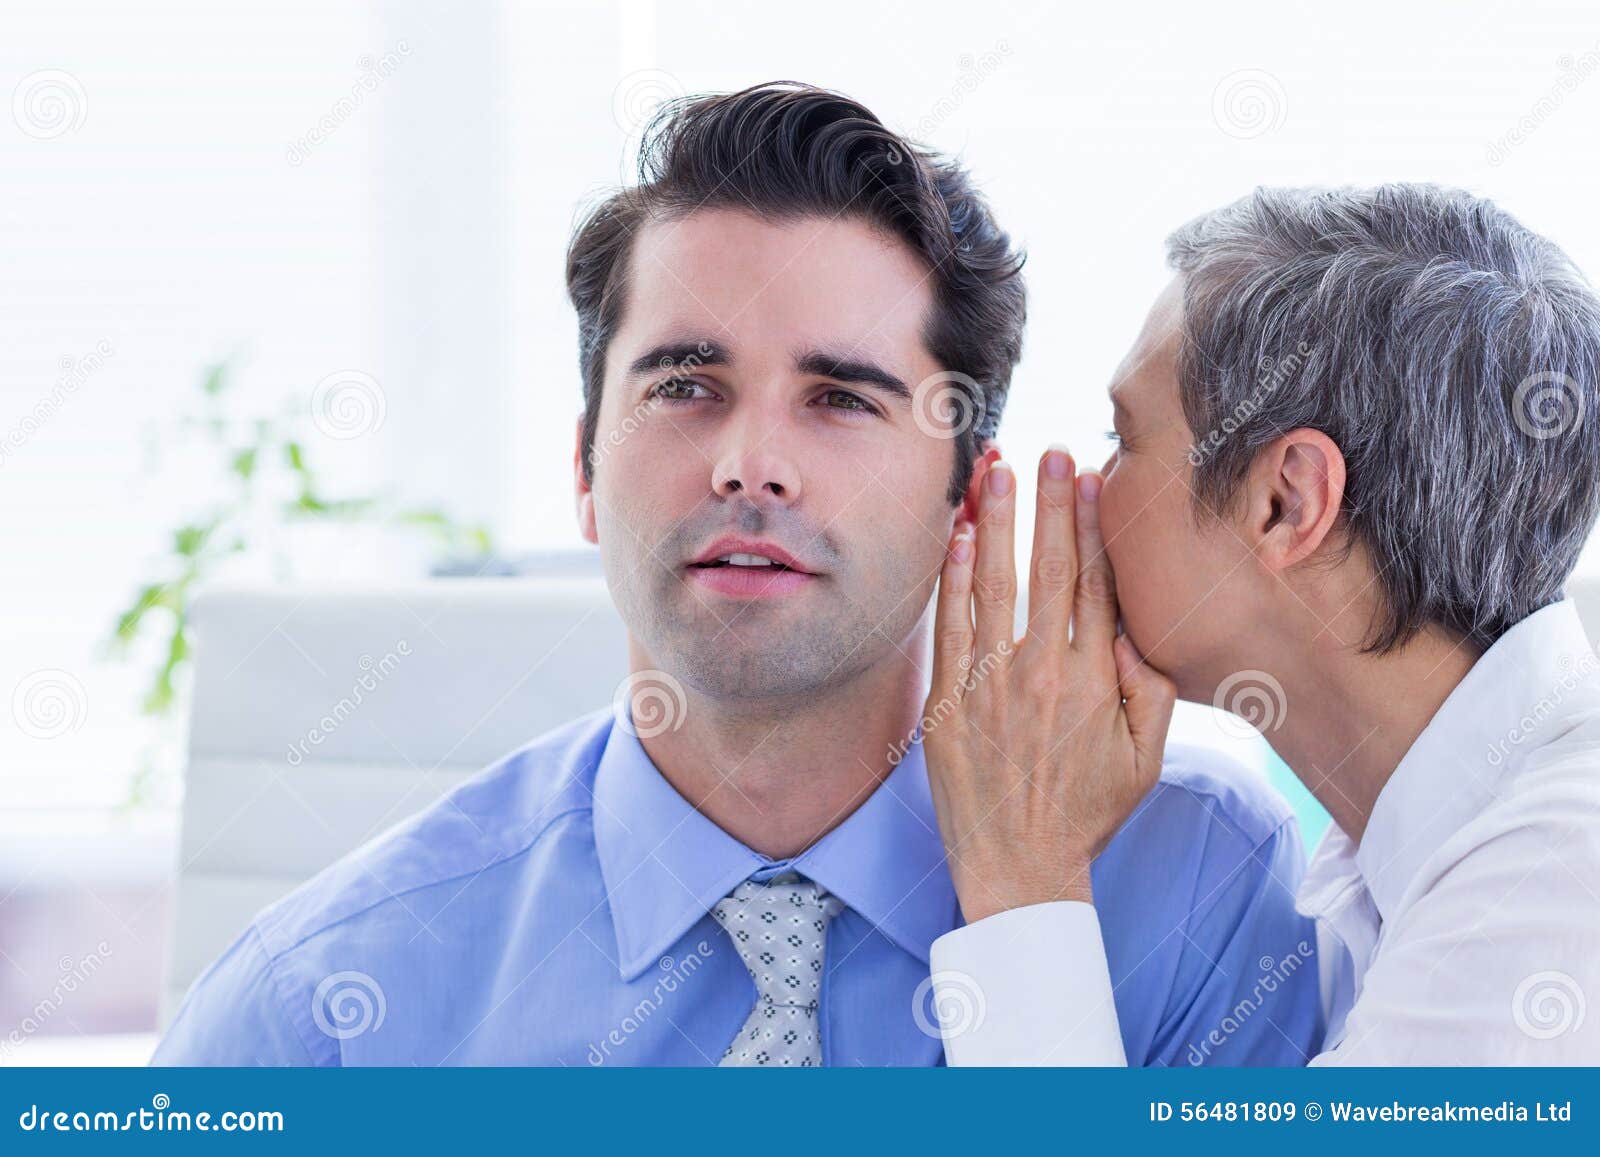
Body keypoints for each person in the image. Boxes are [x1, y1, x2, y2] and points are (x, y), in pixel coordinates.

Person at [151, 83, 1320, 1067]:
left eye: (841, 399)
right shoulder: (319, 1012)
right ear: (583, 466)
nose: (749, 463)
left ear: (969, 494)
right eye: (682, 385)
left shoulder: (1204, 904)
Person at [924, 184, 1600, 1065]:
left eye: (1122, 437)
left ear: (1287, 502)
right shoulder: (1396, 871)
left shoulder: (1552, 886)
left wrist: (1022, 880)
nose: (1086, 490)